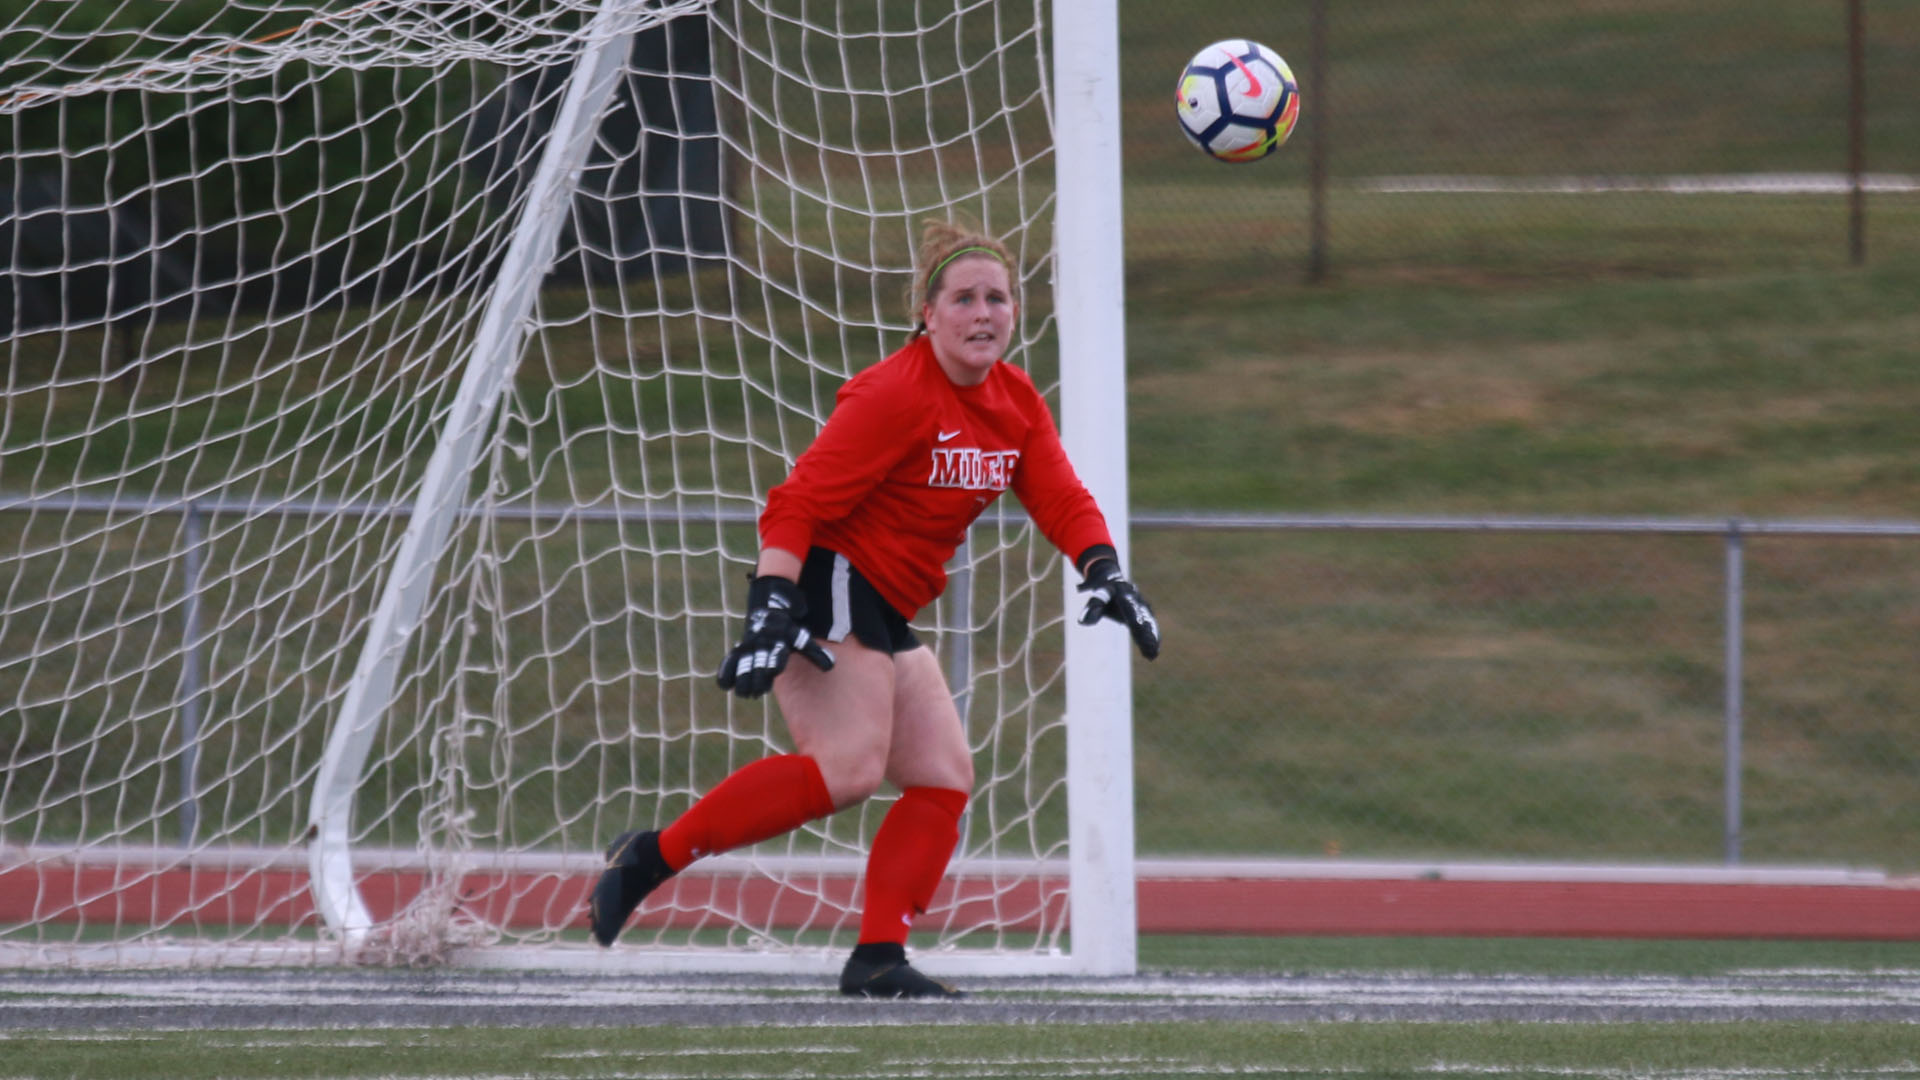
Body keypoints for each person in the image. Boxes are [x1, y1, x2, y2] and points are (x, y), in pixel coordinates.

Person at [589, 220, 1161, 998]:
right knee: (849, 769)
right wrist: (771, 602)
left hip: (884, 599)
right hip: (830, 580)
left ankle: (878, 958)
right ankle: (651, 858)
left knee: (942, 778)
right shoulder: (896, 392)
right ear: (928, 314)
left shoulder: (1016, 400)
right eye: (964, 299)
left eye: (997, 298)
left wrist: (1106, 572)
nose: (983, 313)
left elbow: (1061, 496)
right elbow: (797, 502)